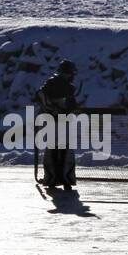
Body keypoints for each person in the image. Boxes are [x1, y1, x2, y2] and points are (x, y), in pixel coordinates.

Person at [37, 58, 79, 191]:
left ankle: (57, 179)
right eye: (71, 73)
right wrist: (53, 109)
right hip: (54, 121)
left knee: (59, 150)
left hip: (62, 122)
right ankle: (58, 179)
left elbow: (70, 104)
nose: (72, 75)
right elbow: (41, 97)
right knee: (58, 150)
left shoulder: (67, 86)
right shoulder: (53, 83)